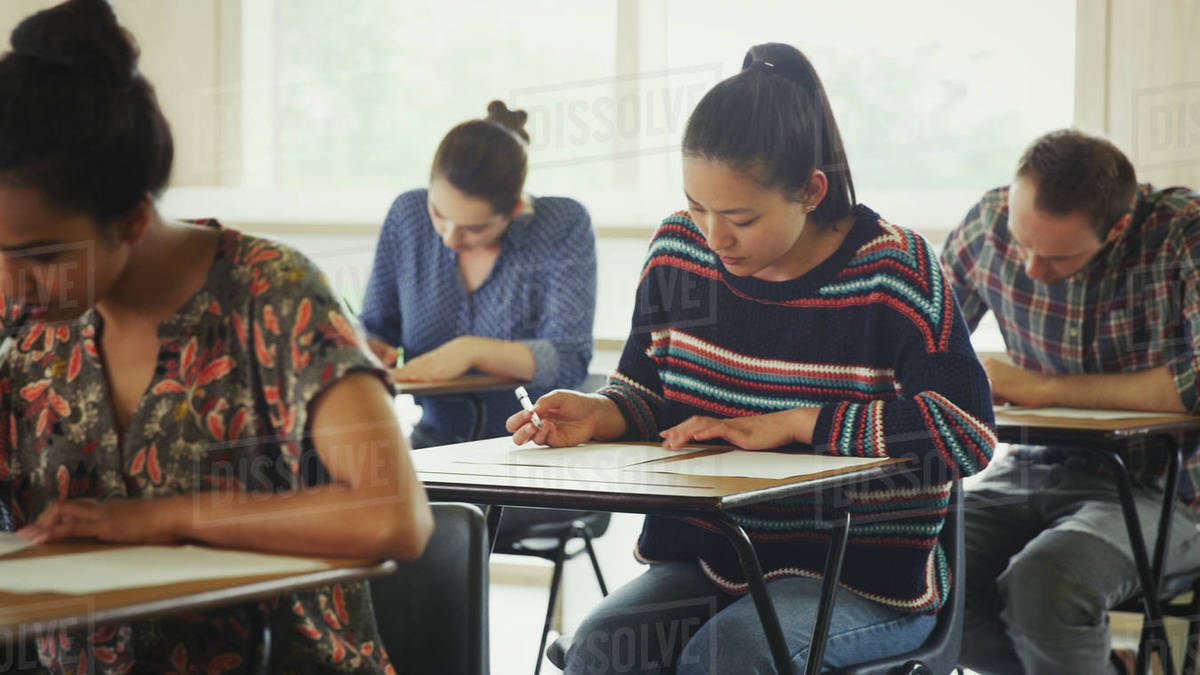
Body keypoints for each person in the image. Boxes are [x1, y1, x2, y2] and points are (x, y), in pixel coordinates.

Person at [506, 43, 996, 674]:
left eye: (739, 216)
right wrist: (600, 412)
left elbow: (966, 433)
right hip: (715, 560)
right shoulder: (679, 253)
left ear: (811, 191)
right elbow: (648, 397)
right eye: (696, 205)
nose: (714, 236)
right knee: (602, 646)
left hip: (865, 579)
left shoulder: (894, 268)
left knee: (729, 655)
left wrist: (800, 423)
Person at [0, 1, 432, 672]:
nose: (12, 283)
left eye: (39, 255)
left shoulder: (273, 294)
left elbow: (393, 516)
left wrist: (169, 515)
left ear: (134, 219)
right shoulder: (22, 324)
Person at [942, 129, 1200, 674]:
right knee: (924, 571)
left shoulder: (1183, 231)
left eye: (1057, 256)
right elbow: (923, 353)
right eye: (1021, 242)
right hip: (1032, 472)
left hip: (1171, 489)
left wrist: (1043, 388)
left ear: (1119, 227)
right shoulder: (986, 223)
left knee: (1047, 584)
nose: (1032, 269)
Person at [360, 101, 596, 447]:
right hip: (434, 443)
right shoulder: (407, 216)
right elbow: (377, 327)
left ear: (513, 210)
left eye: (474, 229)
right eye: (439, 213)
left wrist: (470, 351)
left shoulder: (562, 225)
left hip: (536, 445)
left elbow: (568, 359)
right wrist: (369, 347)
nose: (450, 236)